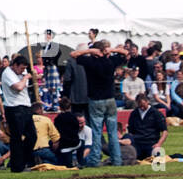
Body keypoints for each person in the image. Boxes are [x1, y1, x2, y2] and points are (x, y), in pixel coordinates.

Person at [71, 40, 127, 168]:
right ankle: (117, 159)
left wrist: (89, 50)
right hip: (110, 99)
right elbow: (126, 53)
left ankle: (95, 160)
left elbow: (73, 54)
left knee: (96, 132)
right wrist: (112, 50)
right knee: (112, 132)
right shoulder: (111, 61)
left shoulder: (90, 61)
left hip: (95, 100)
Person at [1, 55, 36, 171]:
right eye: (21, 68)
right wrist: (26, 77)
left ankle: (22, 161)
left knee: (32, 136)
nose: (22, 71)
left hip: (25, 106)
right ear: (15, 65)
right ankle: (16, 166)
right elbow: (19, 87)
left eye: (24, 69)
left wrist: (34, 75)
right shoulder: (7, 74)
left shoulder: (22, 72)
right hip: (14, 108)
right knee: (16, 138)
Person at [124, 94, 167, 161]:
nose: (142, 108)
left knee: (156, 159)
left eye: (143, 105)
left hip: (151, 143)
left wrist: (159, 144)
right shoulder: (134, 114)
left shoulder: (156, 113)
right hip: (137, 143)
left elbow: (165, 131)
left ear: (147, 101)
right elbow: (130, 131)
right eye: (139, 106)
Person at [53, 96, 82, 168]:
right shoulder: (74, 117)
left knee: (66, 164)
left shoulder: (57, 119)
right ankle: (81, 160)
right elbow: (77, 128)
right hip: (75, 143)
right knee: (82, 143)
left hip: (64, 145)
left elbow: (56, 132)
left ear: (60, 107)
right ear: (70, 107)